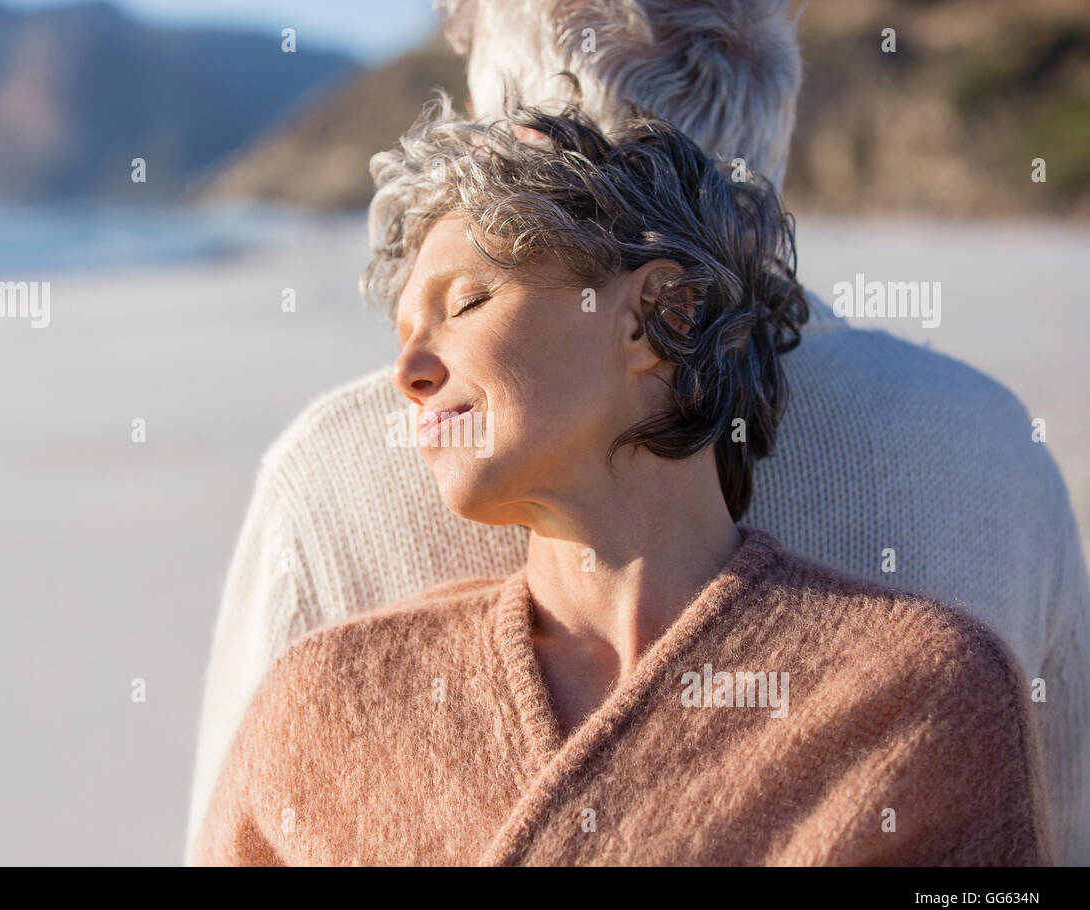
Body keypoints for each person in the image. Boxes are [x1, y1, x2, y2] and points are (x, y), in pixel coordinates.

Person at [187, 0, 1088, 863]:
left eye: (469, 299)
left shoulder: (333, 471)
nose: (409, 374)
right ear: (777, 102)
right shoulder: (991, 447)